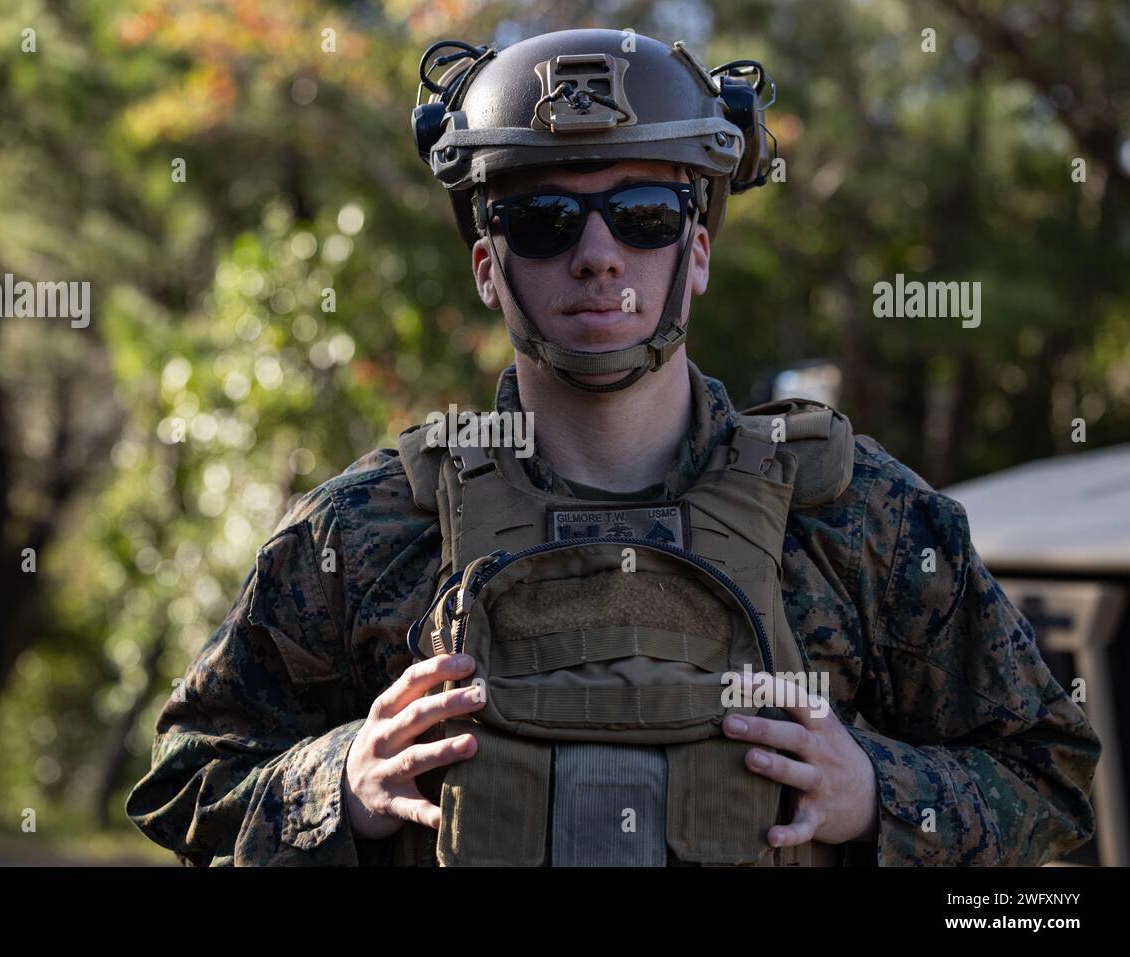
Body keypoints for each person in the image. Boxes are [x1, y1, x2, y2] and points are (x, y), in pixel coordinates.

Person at [125, 28, 1099, 866]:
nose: (597, 255)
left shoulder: (856, 516)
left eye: (641, 216)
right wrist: (338, 782)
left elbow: (1051, 785)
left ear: (698, 251)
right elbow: (186, 779)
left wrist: (878, 792)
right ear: (486, 267)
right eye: (544, 221)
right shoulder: (373, 527)